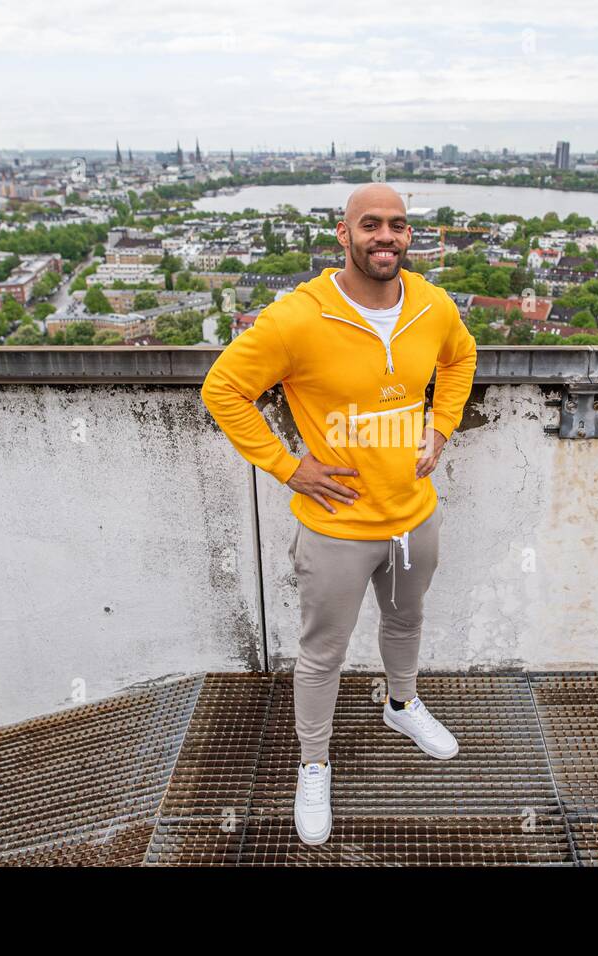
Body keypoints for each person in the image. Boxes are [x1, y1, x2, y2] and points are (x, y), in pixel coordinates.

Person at [200, 183, 477, 845]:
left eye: (399, 226)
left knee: (407, 617)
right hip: (337, 528)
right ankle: (314, 763)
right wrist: (289, 467)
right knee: (322, 654)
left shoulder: (432, 305)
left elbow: (461, 357)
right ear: (344, 235)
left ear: (410, 237)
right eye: (371, 225)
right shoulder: (299, 317)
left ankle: (401, 704)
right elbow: (224, 388)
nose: (387, 237)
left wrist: (441, 428)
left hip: (414, 515)